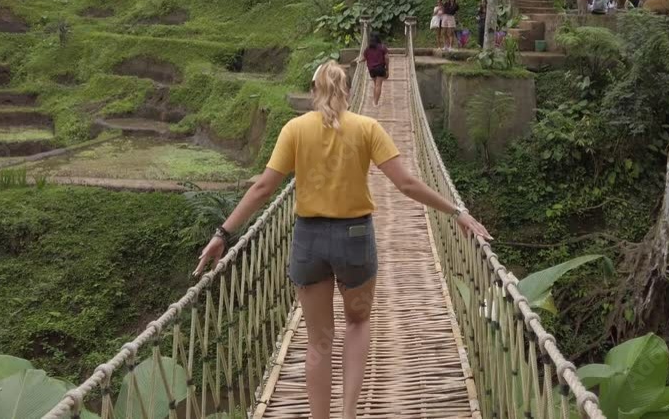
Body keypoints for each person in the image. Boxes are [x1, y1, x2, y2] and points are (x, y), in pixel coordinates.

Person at [194, 61, 490, 419]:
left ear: (313, 90)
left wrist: (222, 234)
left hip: (309, 241)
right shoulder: (367, 128)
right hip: (355, 239)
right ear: (348, 90)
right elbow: (406, 184)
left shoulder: (295, 129)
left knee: (318, 341)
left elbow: (262, 189)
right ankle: (349, 414)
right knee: (357, 323)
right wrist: (456, 211)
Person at [362, 32, 389, 107]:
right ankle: (375, 103)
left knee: (376, 85)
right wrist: (387, 69)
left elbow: (364, 58)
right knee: (378, 85)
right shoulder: (383, 47)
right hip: (380, 68)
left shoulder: (367, 48)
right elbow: (387, 58)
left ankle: (374, 100)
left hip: (372, 70)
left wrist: (359, 61)